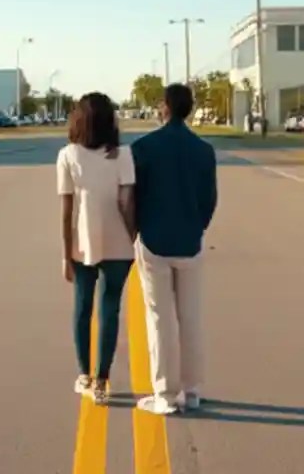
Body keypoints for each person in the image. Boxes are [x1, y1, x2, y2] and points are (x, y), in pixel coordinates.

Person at [130, 83, 218, 415]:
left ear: (165, 107)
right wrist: (197, 226)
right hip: (189, 241)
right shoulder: (204, 150)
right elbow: (210, 199)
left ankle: (164, 394)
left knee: (160, 319)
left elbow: (133, 196)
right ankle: (191, 390)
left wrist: (138, 227)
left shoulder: (143, 148)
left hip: (154, 241)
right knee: (190, 317)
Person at [57, 92, 137, 406]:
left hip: (82, 242)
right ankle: (103, 379)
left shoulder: (68, 155)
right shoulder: (123, 155)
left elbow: (66, 211)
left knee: (82, 308)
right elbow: (126, 203)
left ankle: (84, 375)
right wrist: (134, 238)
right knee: (110, 309)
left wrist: (65, 254)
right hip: (119, 242)